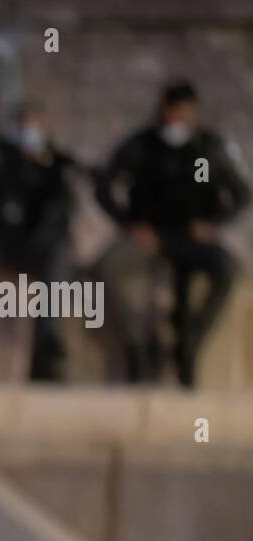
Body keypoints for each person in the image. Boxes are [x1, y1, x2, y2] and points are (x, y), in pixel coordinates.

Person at [95, 79, 250, 386]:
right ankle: (139, 344)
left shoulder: (208, 148)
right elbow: (104, 186)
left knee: (228, 270)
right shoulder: (142, 146)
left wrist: (213, 224)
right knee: (108, 268)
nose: (179, 117)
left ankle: (190, 340)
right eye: (173, 110)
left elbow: (242, 193)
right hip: (150, 237)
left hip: (193, 238)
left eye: (185, 111)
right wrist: (129, 224)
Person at [0, 102, 78, 381]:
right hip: (6, 247)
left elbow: (65, 212)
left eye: (34, 126)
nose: (29, 133)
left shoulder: (56, 167)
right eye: (24, 126)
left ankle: (48, 346)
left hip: (45, 249)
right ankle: (48, 348)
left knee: (56, 258)